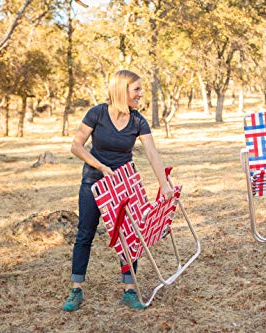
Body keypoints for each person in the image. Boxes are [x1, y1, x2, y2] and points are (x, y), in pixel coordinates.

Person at [62, 70, 173, 312]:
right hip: (94, 183)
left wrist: (164, 184)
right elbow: (76, 146)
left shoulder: (138, 120)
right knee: (85, 234)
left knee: (130, 234)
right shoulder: (97, 113)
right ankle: (76, 289)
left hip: (123, 185)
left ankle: (129, 290)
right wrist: (101, 167)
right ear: (122, 90)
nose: (141, 95)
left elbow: (152, 153)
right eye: (137, 90)